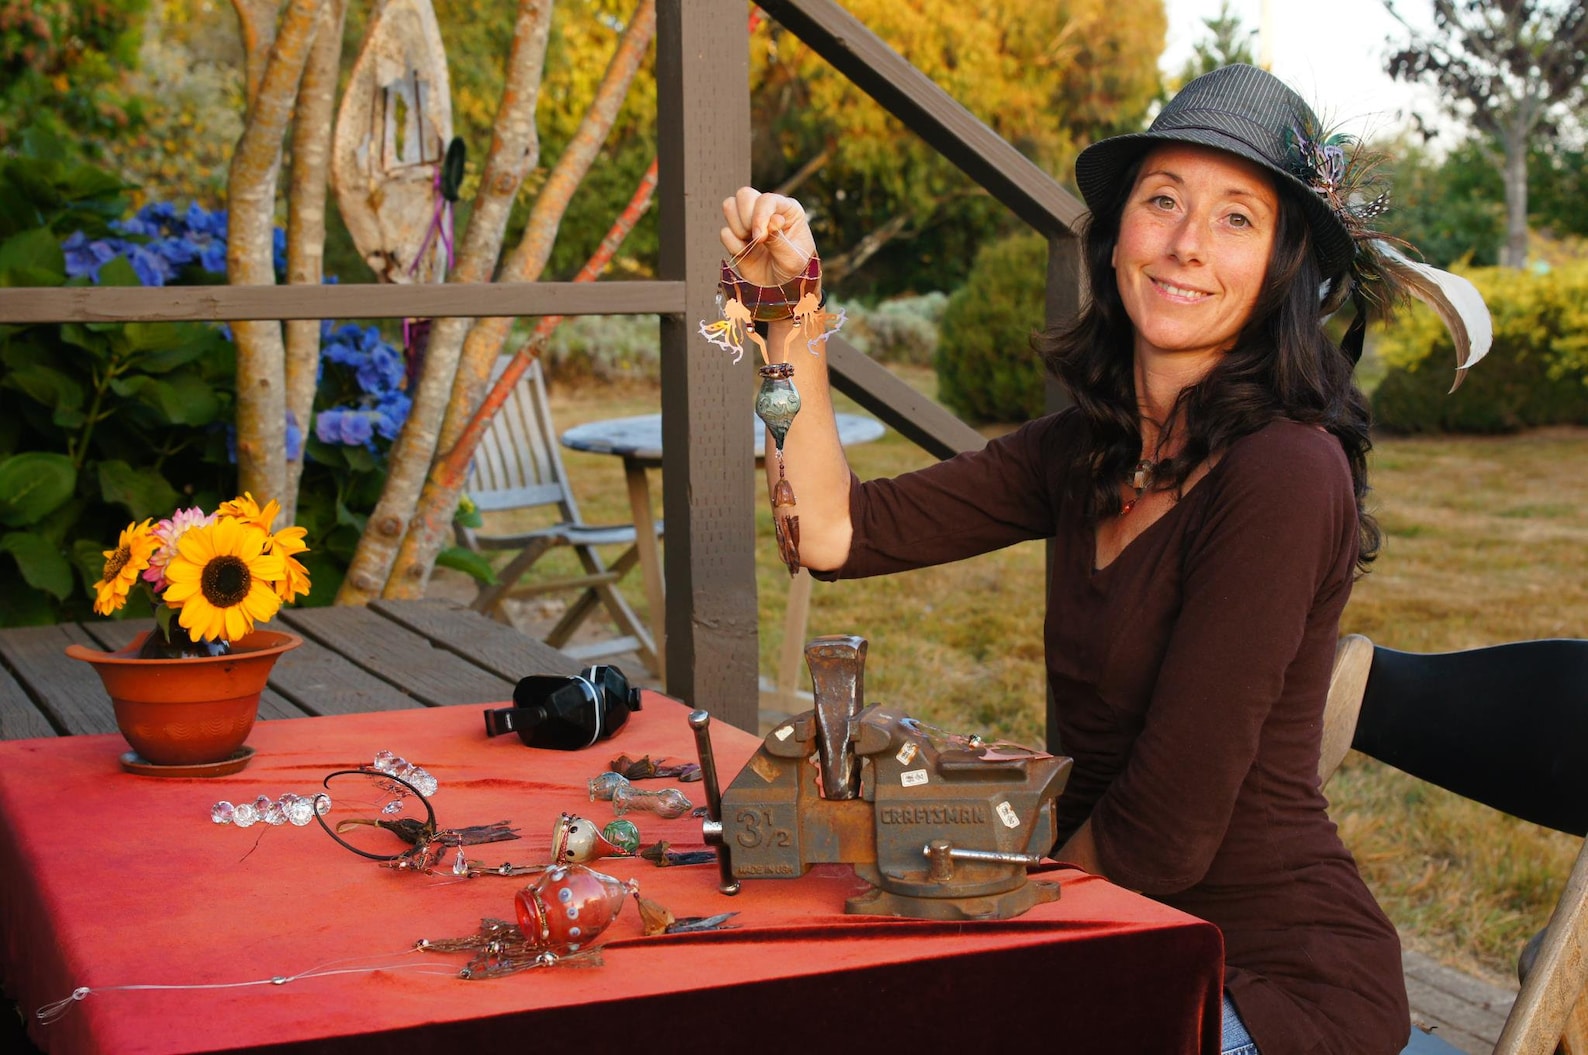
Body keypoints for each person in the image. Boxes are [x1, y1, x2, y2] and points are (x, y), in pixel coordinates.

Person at [716, 64, 1488, 1055]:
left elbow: (1165, 831)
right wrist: (789, 311)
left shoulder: (1284, 475)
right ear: (1116, 232)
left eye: (1235, 218)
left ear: (1281, 269)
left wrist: (986, 938)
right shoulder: (1089, 448)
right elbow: (829, 533)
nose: (1184, 244)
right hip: (1114, 921)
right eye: (1161, 199)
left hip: (1261, 975)